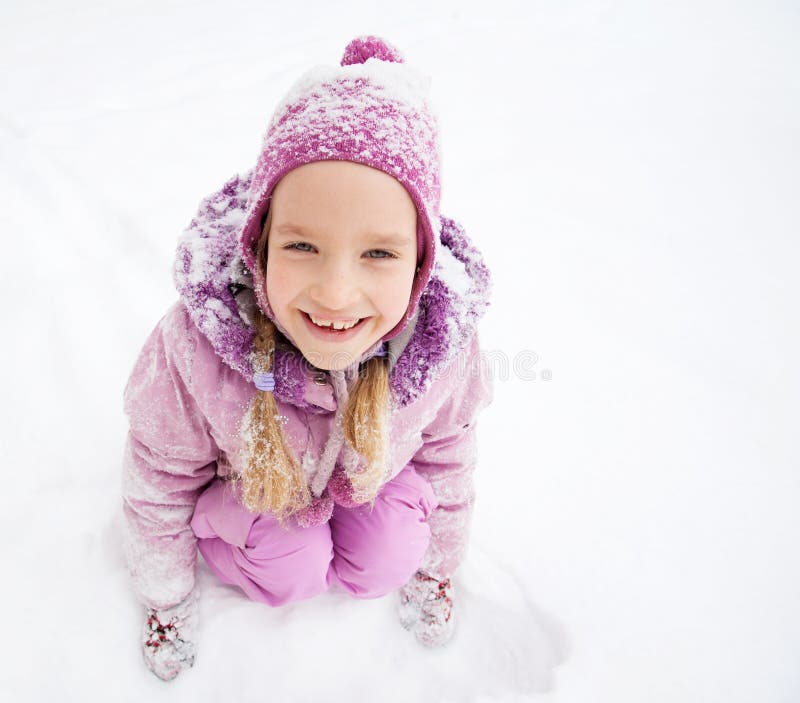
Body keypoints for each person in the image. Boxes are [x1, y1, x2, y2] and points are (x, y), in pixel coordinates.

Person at [122, 35, 494, 681]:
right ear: (260, 243)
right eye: (302, 246)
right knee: (290, 562)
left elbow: (448, 457)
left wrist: (437, 565)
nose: (336, 293)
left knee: (390, 551)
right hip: (250, 493)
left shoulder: (438, 352)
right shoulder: (196, 348)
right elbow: (158, 480)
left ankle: (380, 551)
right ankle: (263, 551)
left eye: (378, 253)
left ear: (420, 262)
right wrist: (167, 594)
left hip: (363, 478)